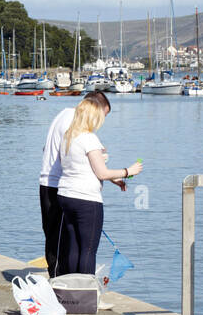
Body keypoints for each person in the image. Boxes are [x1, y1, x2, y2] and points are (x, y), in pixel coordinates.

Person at [55, 95, 143, 277]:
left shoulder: (68, 137)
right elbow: (101, 173)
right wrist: (128, 171)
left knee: (74, 245)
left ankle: (72, 290)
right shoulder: (89, 139)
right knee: (88, 250)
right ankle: (85, 294)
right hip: (87, 200)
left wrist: (114, 179)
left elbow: (84, 167)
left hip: (66, 196)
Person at [39, 92, 111, 278]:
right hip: (62, 186)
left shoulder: (63, 114)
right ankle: (65, 287)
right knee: (67, 243)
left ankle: (64, 286)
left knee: (60, 238)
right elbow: (78, 158)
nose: (101, 121)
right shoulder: (74, 122)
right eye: (103, 114)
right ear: (93, 108)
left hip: (51, 182)